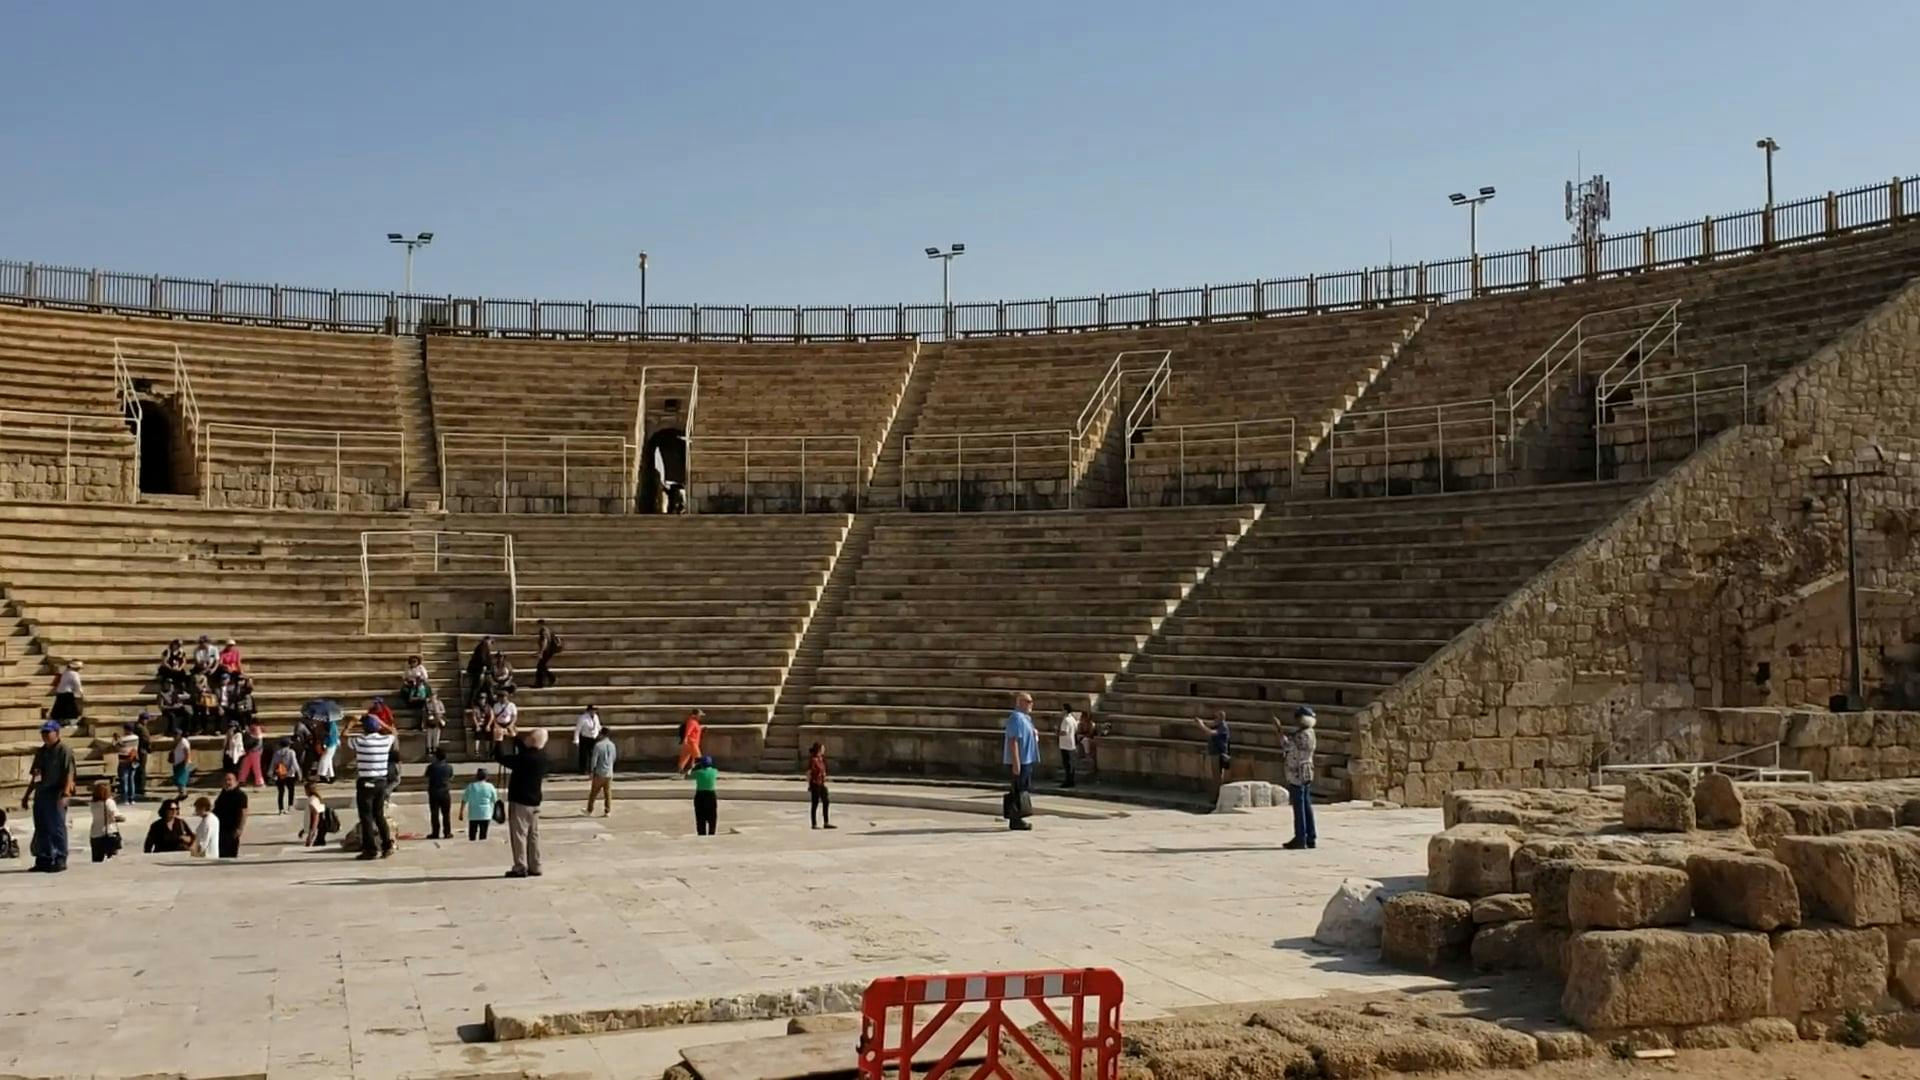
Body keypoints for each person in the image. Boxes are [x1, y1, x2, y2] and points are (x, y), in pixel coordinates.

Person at [23, 719, 76, 871]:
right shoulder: (41, 752)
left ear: (57, 733)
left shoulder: (64, 750)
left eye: (48, 733)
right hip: (41, 793)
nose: (45, 736)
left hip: (57, 793)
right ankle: (44, 857)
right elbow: (36, 775)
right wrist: (27, 795)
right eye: (43, 733)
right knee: (41, 826)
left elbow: (69, 773)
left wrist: (66, 794)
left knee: (57, 826)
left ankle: (60, 856)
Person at [496, 727, 548, 877]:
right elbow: (526, 751)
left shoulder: (525, 759)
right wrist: (515, 737)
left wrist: (498, 740)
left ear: (531, 741)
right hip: (535, 801)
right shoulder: (543, 757)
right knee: (533, 835)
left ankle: (520, 866)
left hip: (521, 802)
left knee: (519, 835)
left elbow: (501, 758)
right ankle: (535, 865)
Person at [350, 715, 396, 860]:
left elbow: (344, 736)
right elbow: (394, 731)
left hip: (366, 782)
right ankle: (387, 845)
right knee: (379, 815)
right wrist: (380, 721)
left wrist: (351, 724)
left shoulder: (360, 741)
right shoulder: (385, 740)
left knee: (366, 817)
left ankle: (370, 850)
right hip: (381, 782)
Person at [1279, 706, 1318, 850]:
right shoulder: (1311, 733)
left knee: (1299, 806)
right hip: (1307, 770)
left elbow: (1287, 746)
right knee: (1306, 804)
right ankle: (1311, 836)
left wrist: (1279, 732)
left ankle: (1300, 837)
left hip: (1296, 772)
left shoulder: (1299, 735)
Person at [1003, 692, 1039, 832]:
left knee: (1022, 788)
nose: (1032, 704)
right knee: (1018, 789)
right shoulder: (1016, 718)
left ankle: (1018, 817)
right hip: (1021, 761)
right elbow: (1013, 741)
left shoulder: (1026, 718)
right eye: (1029, 701)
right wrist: (1016, 762)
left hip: (1027, 760)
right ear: (1020, 702)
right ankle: (1015, 819)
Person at [211, 771, 248, 859]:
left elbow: (244, 812)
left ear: (236, 782)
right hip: (220, 830)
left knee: (230, 855)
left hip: (232, 830)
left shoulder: (240, 795)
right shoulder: (223, 794)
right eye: (225, 780)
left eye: (229, 780)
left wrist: (240, 828)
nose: (227, 782)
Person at [1195, 707, 1232, 794]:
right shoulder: (1219, 725)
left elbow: (1211, 732)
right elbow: (1211, 724)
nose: (1214, 719)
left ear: (1220, 718)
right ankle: (1216, 795)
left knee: (1218, 777)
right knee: (1216, 777)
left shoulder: (1223, 727)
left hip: (1219, 754)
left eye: (1216, 717)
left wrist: (1201, 725)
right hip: (1215, 754)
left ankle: (1218, 796)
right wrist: (1201, 722)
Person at [88, 780, 125, 863]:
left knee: (97, 861)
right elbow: (116, 815)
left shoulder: (92, 804)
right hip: (108, 833)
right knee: (112, 860)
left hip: (95, 834)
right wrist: (122, 818)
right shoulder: (109, 802)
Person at [461, 769, 500, 841]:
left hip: (473, 814)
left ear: (476, 777)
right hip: (485, 814)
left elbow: (464, 800)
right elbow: (495, 800)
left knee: (472, 835)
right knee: (483, 835)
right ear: (486, 777)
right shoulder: (490, 786)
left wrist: (461, 813)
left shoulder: (471, 786)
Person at [425, 747, 455, 839]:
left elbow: (426, 776)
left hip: (434, 791)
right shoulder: (449, 767)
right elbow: (451, 777)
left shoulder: (431, 767)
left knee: (434, 814)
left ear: (436, 757)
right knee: (446, 813)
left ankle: (435, 832)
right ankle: (447, 832)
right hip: (445, 792)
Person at [586, 730, 616, 816]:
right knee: (607, 793)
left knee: (594, 792)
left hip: (599, 772)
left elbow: (594, 760)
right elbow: (614, 758)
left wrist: (592, 771)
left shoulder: (598, 746)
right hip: (609, 772)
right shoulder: (612, 745)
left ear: (602, 735)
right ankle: (607, 810)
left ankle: (589, 809)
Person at [806, 742, 834, 830]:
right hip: (815, 783)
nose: (824, 750)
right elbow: (809, 773)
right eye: (822, 748)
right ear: (819, 749)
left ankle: (826, 822)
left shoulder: (821, 759)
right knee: (815, 803)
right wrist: (809, 784)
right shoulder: (813, 760)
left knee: (826, 801)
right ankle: (814, 824)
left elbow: (823, 771)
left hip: (821, 783)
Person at [689, 755, 719, 836]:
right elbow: (716, 773)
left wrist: (693, 767)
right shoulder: (714, 771)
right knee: (712, 817)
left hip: (700, 796)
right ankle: (712, 833)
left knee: (700, 817)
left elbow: (687, 776)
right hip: (711, 795)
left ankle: (701, 834)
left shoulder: (698, 772)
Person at [270, 739, 302, 814]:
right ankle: (290, 807)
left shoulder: (277, 753)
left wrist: (270, 773)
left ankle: (281, 808)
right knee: (291, 791)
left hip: (280, 774)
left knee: (281, 792)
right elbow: (294, 763)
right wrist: (299, 772)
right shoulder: (291, 752)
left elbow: (273, 764)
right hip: (290, 775)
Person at [464, 635, 495, 711]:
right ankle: (470, 703)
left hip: (482, 672)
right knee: (477, 688)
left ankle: (491, 702)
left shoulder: (482, 647)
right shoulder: (482, 647)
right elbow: (482, 660)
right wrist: (483, 671)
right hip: (480, 672)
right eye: (491, 642)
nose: (491, 644)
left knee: (486, 688)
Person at [48, 660, 84, 726]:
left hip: (60, 692)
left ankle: (57, 720)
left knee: (59, 707)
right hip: (68, 692)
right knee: (70, 708)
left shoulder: (65, 672)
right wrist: (81, 693)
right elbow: (77, 684)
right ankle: (70, 722)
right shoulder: (74, 674)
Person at [116, 721, 143, 805]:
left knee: (124, 780)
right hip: (134, 760)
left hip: (124, 760)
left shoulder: (123, 739)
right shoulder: (136, 737)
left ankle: (125, 799)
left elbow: (117, 747)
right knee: (131, 779)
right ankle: (132, 798)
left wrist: (116, 739)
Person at [302, 781, 335, 848]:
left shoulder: (312, 800)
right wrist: (303, 830)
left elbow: (316, 816)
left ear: (308, 790)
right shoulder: (317, 799)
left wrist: (311, 834)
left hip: (316, 829)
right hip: (320, 829)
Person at [1057, 703, 1081, 789]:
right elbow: (1076, 730)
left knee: (1067, 764)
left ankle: (1068, 781)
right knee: (1071, 764)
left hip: (1065, 744)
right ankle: (1071, 780)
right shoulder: (1073, 719)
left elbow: (1064, 732)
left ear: (1065, 710)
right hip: (1071, 744)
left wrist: (1057, 732)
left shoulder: (1066, 720)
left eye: (1062, 709)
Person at [573, 705, 602, 775]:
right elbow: (578, 729)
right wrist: (576, 740)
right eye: (592, 710)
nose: (593, 711)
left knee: (593, 754)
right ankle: (583, 770)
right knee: (584, 755)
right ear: (589, 710)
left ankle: (592, 769)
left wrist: (600, 733)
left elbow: (598, 726)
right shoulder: (583, 718)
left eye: (595, 710)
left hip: (594, 737)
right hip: (585, 738)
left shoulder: (596, 717)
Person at [534, 619, 563, 689]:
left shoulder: (543, 630)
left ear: (540, 624)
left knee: (540, 666)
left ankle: (541, 683)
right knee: (542, 666)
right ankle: (550, 678)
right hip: (550, 651)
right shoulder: (548, 630)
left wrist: (541, 652)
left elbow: (544, 641)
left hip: (546, 651)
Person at [676, 708, 705, 777]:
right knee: (698, 758)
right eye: (699, 715)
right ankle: (696, 772)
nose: (700, 717)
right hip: (692, 742)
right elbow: (688, 731)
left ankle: (681, 771)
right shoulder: (692, 722)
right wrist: (685, 739)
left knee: (686, 757)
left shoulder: (693, 722)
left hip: (691, 742)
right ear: (694, 715)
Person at [238, 719, 266, 787]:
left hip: (254, 750)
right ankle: (258, 782)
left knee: (248, 765)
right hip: (255, 750)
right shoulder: (256, 728)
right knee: (250, 766)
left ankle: (242, 780)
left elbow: (256, 738)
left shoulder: (255, 728)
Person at [315, 708, 340, 783]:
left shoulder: (329, 723)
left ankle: (322, 774)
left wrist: (324, 742)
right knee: (328, 759)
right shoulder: (332, 722)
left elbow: (328, 733)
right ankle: (331, 776)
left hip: (330, 742)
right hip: (333, 741)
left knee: (325, 758)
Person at [169, 733, 194, 799]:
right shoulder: (176, 742)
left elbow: (187, 752)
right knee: (177, 779)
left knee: (180, 780)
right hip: (177, 763)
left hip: (182, 763)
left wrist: (186, 762)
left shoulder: (184, 742)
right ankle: (181, 793)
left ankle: (183, 793)